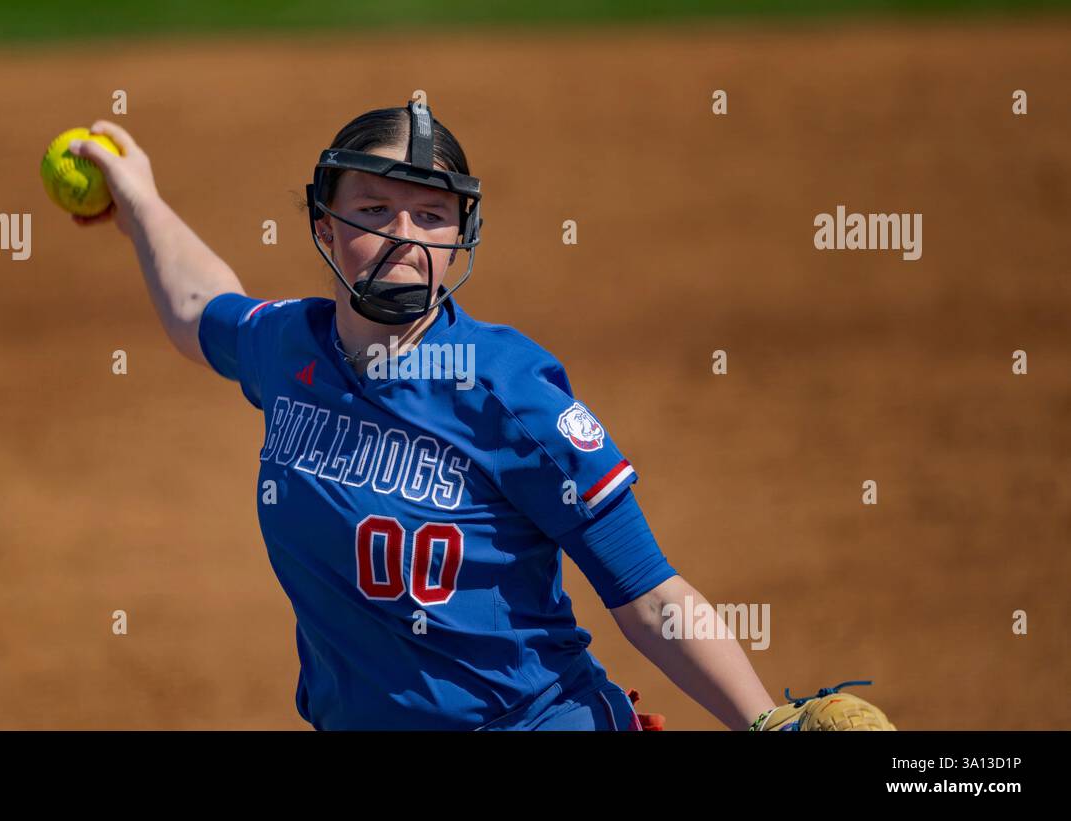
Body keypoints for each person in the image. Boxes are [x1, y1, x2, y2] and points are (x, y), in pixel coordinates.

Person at [67, 92, 777, 730]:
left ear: (460, 236)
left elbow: (651, 596)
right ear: (326, 227)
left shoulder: (509, 394)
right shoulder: (289, 346)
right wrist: (140, 202)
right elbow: (199, 307)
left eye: (431, 215)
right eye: (375, 209)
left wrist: (769, 722)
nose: (405, 234)